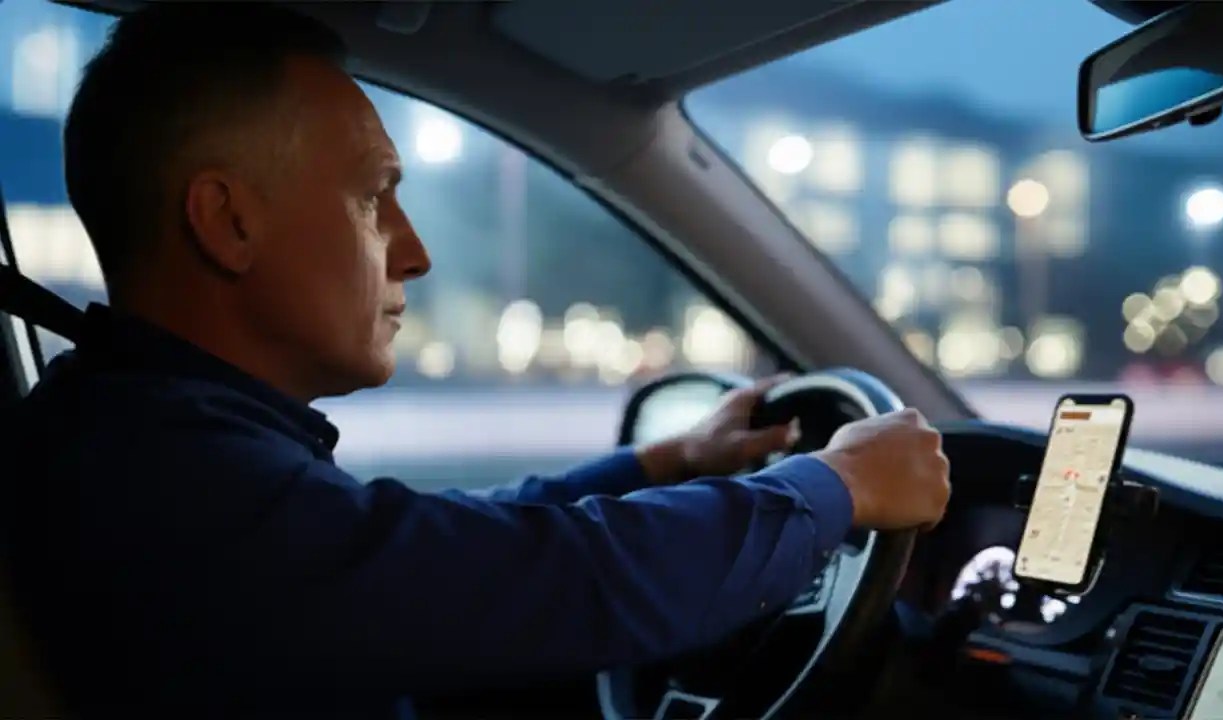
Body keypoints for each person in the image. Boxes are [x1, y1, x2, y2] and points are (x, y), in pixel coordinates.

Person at [3, 3, 950, 718]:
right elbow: (546, 580)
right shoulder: (165, 479)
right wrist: (834, 489)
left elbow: (418, 554)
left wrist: (663, 464)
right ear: (230, 221)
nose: (413, 251)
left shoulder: (139, 438)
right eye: (376, 198)